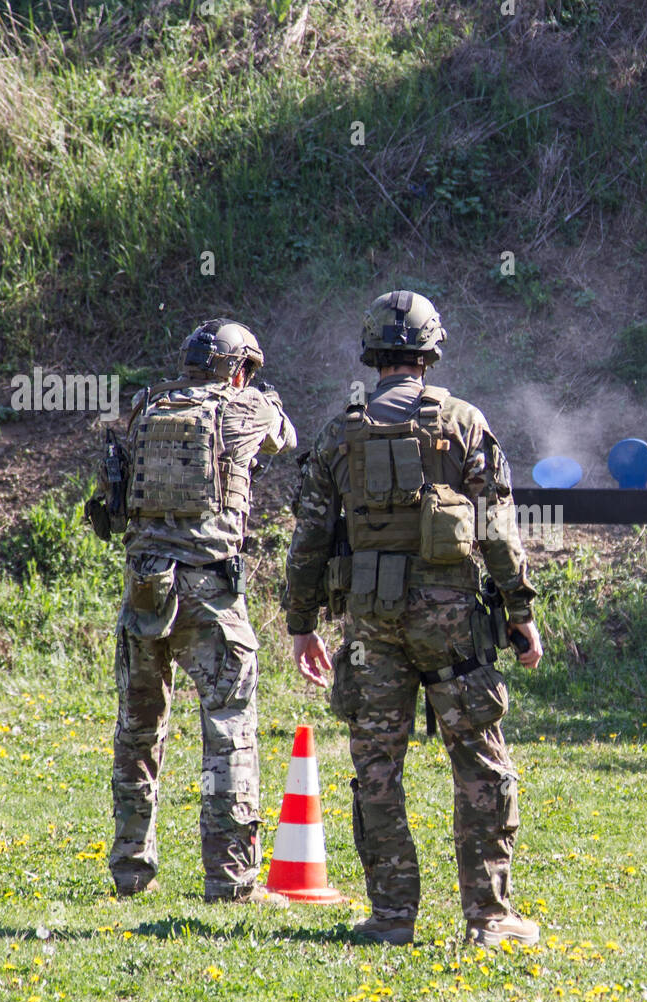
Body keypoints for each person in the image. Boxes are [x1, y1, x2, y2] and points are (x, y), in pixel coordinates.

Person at [282, 290, 543, 946]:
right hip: (451, 627)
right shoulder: (462, 422)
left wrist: (301, 623)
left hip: (372, 628)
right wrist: (520, 612)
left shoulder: (338, 430)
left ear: (374, 353)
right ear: (430, 350)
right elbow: (497, 528)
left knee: (376, 771)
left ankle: (392, 916)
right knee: (481, 765)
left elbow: (310, 538)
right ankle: (489, 917)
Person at [87, 319, 295, 906]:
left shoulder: (143, 407)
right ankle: (230, 881)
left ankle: (130, 871)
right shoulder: (245, 408)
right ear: (237, 368)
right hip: (210, 594)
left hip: (145, 589)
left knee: (138, 730)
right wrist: (262, 398)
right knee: (228, 731)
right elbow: (287, 437)